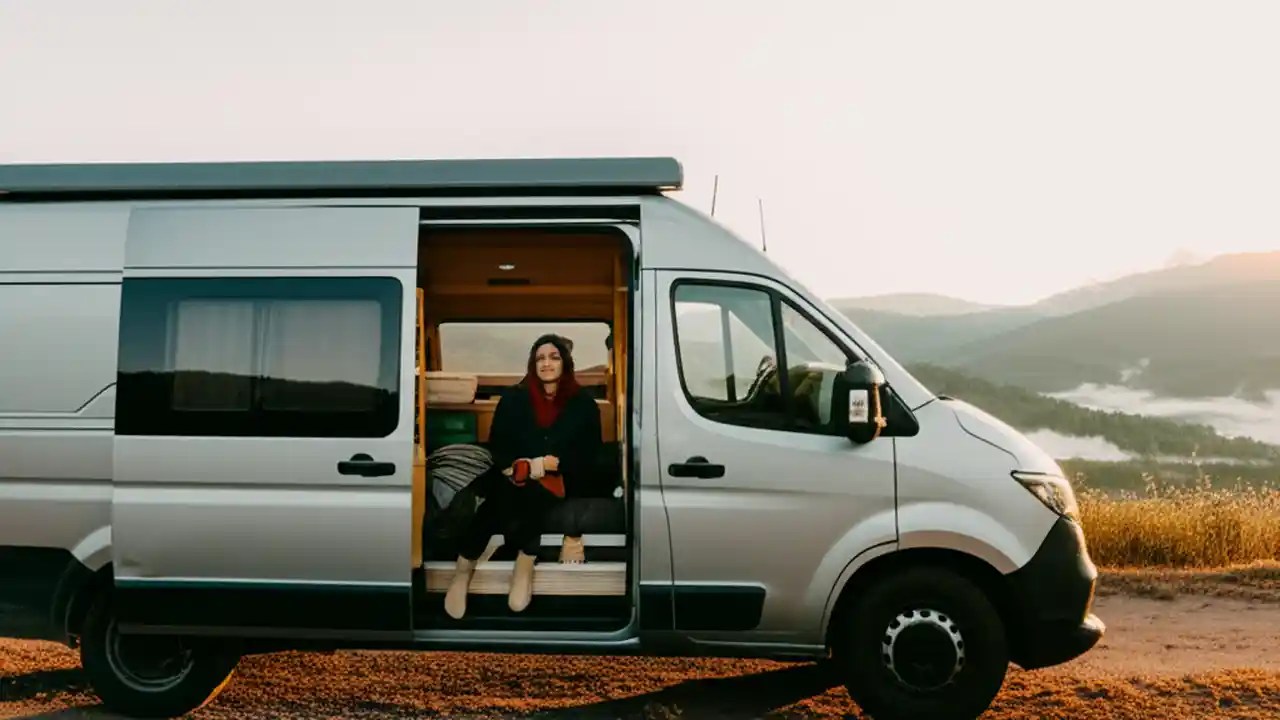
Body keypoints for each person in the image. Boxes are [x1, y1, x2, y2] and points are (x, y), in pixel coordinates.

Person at [444, 333, 603, 619]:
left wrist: (545, 466)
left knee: (528, 494)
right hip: (511, 476)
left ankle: (521, 566)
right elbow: (498, 444)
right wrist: (520, 467)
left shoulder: (583, 404)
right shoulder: (513, 399)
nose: (547, 363)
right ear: (532, 364)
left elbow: (590, 455)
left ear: (565, 363)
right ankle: (464, 571)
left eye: (554, 357)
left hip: (558, 480)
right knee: (502, 494)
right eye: (540, 358)